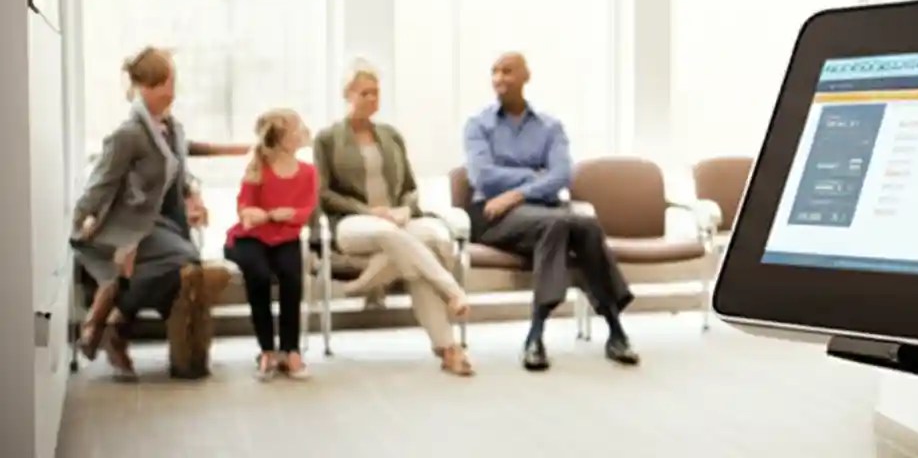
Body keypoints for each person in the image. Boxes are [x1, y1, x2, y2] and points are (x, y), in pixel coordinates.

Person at [463, 52, 638, 371]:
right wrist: (534, 177)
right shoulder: (478, 125)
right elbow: (482, 177)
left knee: (585, 226)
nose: (500, 78)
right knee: (556, 224)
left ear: (525, 77)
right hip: (492, 216)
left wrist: (517, 192)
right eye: (495, 72)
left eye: (508, 71)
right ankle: (536, 335)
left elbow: (561, 175)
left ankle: (615, 332)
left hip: (540, 210)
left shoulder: (550, 126)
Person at [72, 46, 231, 381]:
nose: (170, 92)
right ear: (142, 88)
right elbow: (101, 183)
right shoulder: (127, 135)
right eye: (161, 84)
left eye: (171, 82)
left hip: (160, 224)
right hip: (127, 224)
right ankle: (110, 322)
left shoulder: (173, 129)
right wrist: (83, 217)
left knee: (181, 266)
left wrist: (193, 197)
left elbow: (176, 174)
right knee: (183, 256)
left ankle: (114, 321)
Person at [313, 61, 474, 376]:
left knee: (433, 240)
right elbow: (324, 194)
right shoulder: (328, 138)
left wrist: (403, 209)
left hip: (398, 222)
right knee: (396, 238)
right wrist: (368, 212)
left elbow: (411, 188)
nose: (373, 99)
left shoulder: (390, 136)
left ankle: (447, 349)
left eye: (376, 93)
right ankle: (452, 291)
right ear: (348, 94)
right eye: (365, 93)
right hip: (352, 223)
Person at [225, 108, 316, 381]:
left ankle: (291, 349)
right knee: (259, 275)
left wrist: (284, 215)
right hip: (250, 239)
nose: (303, 131)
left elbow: (305, 209)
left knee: (291, 276)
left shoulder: (308, 172)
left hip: (285, 238)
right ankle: (266, 349)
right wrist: (265, 215)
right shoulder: (257, 170)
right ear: (282, 138)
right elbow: (246, 211)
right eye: (296, 128)